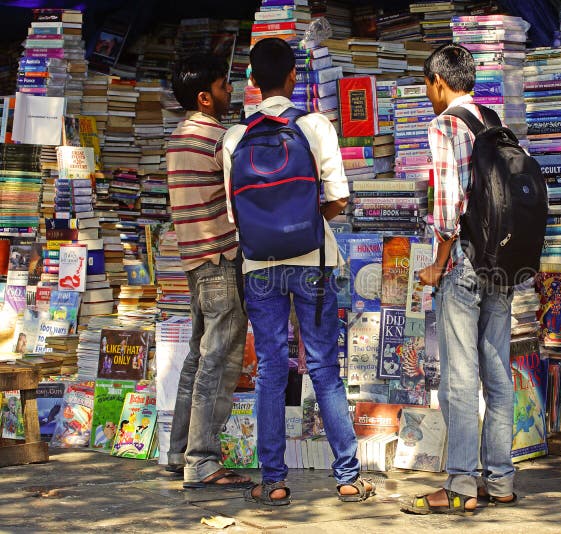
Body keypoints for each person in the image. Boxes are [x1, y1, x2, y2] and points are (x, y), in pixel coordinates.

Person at [222, 37, 374, 507]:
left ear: (251, 82)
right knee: (325, 368)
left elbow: (235, 218)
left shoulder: (233, 139)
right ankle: (348, 477)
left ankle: (274, 481)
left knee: (270, 369)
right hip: (314, 262)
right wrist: (305, 221)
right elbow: (340, 198)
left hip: (259, 268)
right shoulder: (314, 126)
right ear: (294, 76)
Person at [403, 43, 517, 516]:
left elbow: (448, 205)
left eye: (428, 86)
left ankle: (461, 485)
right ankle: (502, 480)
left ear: (438, 82)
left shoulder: (445, 124)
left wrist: (438, 262)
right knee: (497, 373)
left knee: (459, 377)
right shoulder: (496, 122)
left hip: (466, 262)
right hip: (505, 262)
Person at [165, 54, 250, 490]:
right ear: (204, 97)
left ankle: (179, 450)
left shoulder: (178, 137)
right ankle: (201, 460)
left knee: (198, 357)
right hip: (220, 259)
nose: (229, 92)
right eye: (222, 86)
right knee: (219, 359)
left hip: (195, 261)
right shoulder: (219, 138)